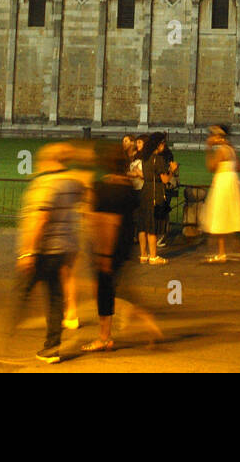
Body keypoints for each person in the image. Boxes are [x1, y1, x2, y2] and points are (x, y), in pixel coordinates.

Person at [81, 142, 160, 353]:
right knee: (118, 290)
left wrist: (104, 255)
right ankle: (145, 320)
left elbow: (107, 223)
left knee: (105, 292)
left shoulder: (103, 189)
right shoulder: (126, 188)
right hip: (124, 245)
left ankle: (105, 337)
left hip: (107, 247)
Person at [13, 144, 86, 363]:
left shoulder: (45, 183)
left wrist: (28, 252)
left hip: (45, 249)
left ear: (50, 161)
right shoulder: (72, 182)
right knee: (55, 298)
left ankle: (7, 340)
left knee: (23, 292)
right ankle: (51, 347)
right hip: (65, 246)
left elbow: (40, 219)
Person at [201, 124, 240, 263]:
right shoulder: (231, 149)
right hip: (232, 181)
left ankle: (222, 252)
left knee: (220, 216)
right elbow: (239, 167)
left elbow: (211, 167)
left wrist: (208, 149)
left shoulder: (222, 150)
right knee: (231, 213)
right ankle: (235, 248)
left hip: (223, 182)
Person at [134, 133, 170, 265]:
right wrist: (172, 170)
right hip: (155, 192)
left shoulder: (145, 158)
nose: (164, 146)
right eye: (162, 143)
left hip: (145, 190)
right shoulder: (158, 159)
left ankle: (143, 254)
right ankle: (154, 256)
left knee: (143, 225)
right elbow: (165, 179)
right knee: (152, 225)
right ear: (158, 144)